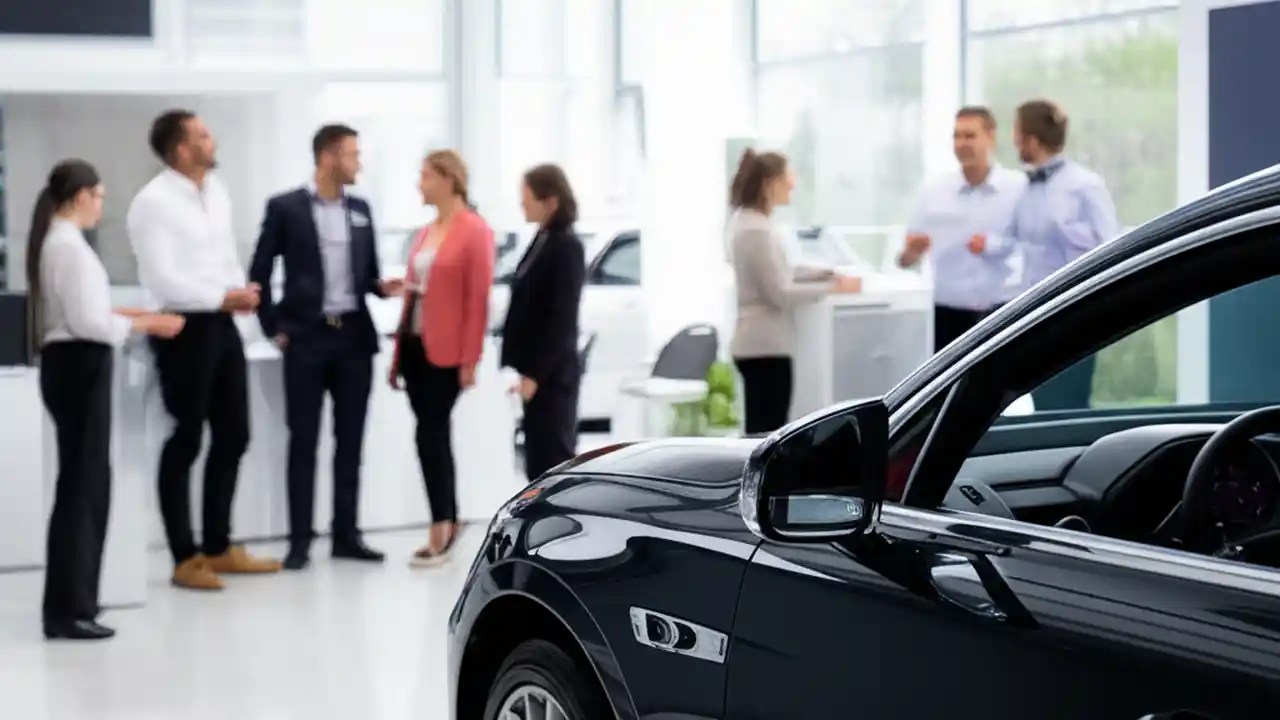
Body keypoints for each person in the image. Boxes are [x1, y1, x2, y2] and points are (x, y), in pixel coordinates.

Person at [28, 160, 186, 639]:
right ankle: (71, 609)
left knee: (84, 486)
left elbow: (87, 310)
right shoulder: (68, 247)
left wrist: (128, 312)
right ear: (79, 196)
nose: (102, 205)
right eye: (98, 195)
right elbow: (88, 324)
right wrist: (148, 324)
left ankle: (75, 604)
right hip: (80, 366)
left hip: (72, 366)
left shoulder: (59, 243)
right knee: (84, 490)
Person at [127, 109, 282, 591]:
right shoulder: (151, 202)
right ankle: (184, 556)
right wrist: (220, 297)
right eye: (201, 135)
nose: (211, 140)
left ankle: (218, 546)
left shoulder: (217, 192)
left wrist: (240, 292)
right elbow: (161, 277)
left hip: (222, 324)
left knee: (234, 434)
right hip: (182, 328)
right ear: (179, 149)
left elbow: (224, 257)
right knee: (187, 438)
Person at [249, 125, 404, 570]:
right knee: (304, 441)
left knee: (350, 442)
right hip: (306, 338)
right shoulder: (286, 208)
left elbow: (368, 273)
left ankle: (346, 535)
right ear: (329, 157)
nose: (359, 163)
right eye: (353, 154)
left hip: (354, 337)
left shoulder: (361, 209)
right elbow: (259, 269)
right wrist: (273, 327)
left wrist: (381, 286)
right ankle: (299, 541)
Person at [389, 150, 494, 567]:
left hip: (447, 351)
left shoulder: (474, 230)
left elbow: (477, 299)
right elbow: (422, 288)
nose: (420, 183)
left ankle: (444, 526)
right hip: (414, 343)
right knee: (428, 433)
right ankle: (444, 520)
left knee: (430, 433)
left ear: (449, 179)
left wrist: (471, 357)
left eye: (425, 175)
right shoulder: (425, 231)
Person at [981, 99, 1119, 410]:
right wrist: (985, 245)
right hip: (1035, 311)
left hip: (1076, 310)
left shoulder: (1085, 185)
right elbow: (1013, 240)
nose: (1013, 141)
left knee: (1071, 399)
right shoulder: (1024, 187)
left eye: (1016, 132)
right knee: (1042, 398)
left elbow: (1111, 245)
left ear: (1031, 139)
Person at [728, 149, 861, 435]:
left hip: (761, 346)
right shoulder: (755, 229)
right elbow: (780, 292)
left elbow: (781, 271)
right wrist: (831, 288)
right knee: (767, 434)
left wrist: (825, 274)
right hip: (764, 347)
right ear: (770, 183)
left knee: (765, 429)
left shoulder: (752, 223)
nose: (793, 185)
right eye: (788, 178)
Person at [898, 106, 1026, 352]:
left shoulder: (1017, 189)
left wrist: (991, 245)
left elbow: (1033, 246)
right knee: (947, 389)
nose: (961, 143)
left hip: (1001, 311)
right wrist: (911, 253)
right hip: (946, 315)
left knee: (999, 388)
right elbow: (905, 260)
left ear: (990, 137)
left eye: (970, 135)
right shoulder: (933, 191)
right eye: (956, 136)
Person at [500, 164, 586, 481]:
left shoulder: (566, 247)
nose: (522, 204)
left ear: (550, 201)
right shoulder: (542, 239)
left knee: (552, 461)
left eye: (527, 197)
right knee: (536, 461)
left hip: (552, 377)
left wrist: (535, 374)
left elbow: (559, 320)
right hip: (536, 374)